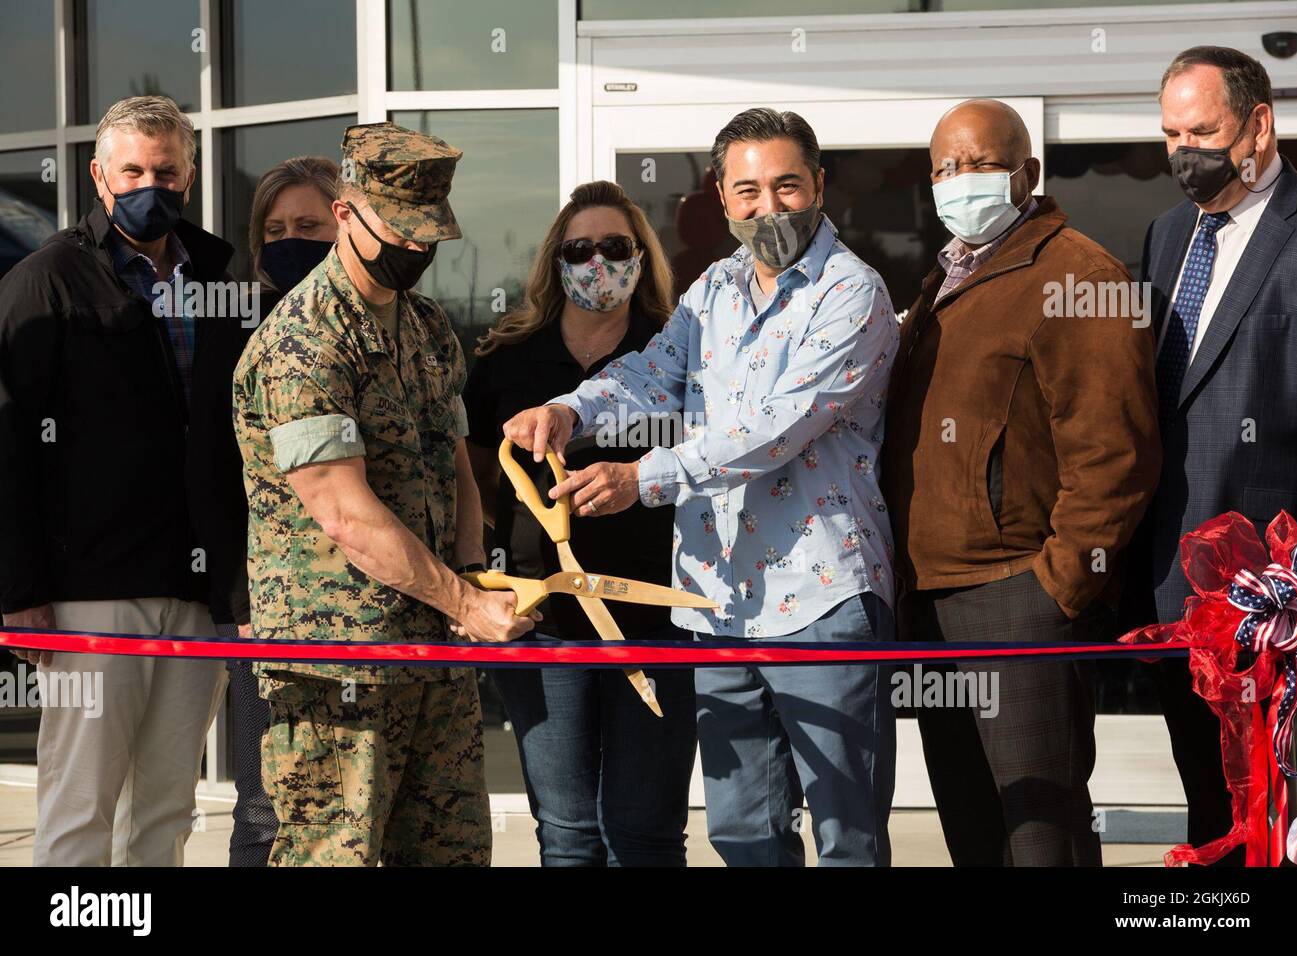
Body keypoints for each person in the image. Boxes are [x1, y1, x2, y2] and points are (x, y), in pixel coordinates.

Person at [505, 108, 900, 867]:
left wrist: (643, 477)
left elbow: (782, 426)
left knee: (846, 835)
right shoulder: (714, 287)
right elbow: (654, 372)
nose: (769, 206)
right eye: (747, 189)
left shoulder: (854, 292)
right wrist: (570, 409)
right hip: (717, 603)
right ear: (721, 197)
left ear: (819, 185)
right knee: (743, 830)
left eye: (787, 185)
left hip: (821, 600)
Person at [233, 121, 536, 866]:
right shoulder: (303, 342)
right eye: (400, 230)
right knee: (332, 855)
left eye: (429, 234)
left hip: (434, 651)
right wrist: (464, 606)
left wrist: (469, 574)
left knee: (451, 853)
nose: (416, 249)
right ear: (346, 214)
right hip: (339, 663)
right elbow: (342, 511)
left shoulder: (428, 325)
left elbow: (455, 460)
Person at [881, 99, 1161, 867]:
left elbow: (1117, 454)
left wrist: (1058, 588)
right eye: (944, 168)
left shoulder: (1075, 274)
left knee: (1041, 836)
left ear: (1027, 174)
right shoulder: (946, 277)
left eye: (978, 165)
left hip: (1017, 598)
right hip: (936, 597)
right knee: (973, 830)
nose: (958, 182)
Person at [0, 95, 232, 866]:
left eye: (166, 170)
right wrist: (20, 587)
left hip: (196, 592)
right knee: (79, 807)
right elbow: (8, 447)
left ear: (189, 176)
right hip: (88, 593)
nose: (150, 184)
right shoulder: (46, 279)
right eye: (132, 169)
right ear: (99, 176)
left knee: (167, 810)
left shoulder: (221, 273)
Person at [464, 179, 696, 866]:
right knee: (567, 834)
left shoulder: (676, 355)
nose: (598, 262)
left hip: (660, 619)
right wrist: (479, 582)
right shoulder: (509, 357)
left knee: (647, 832)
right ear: (555, 261)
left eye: (616, 247)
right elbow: (473, 482)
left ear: (641, 256)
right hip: (543, 622)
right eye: (581, 248)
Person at [1124, 46, 1297, 866]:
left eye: (1203, 130)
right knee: (1209, 801)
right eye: (1170, 133)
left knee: (1282, 809)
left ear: (1258, 125)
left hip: (1275, 598)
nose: (1183, 151)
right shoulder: (1166, 236)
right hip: (1175, 585)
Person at [190, 155, 339, 867]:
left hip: (369, 606)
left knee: (355, 804)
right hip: (268, 602)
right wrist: (239, 594)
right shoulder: (235, 328)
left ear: (346, 225)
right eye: (275, 228)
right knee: (264, 808)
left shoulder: (390, 323)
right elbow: (213, 473)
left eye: (308, 225)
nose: (290, 239)